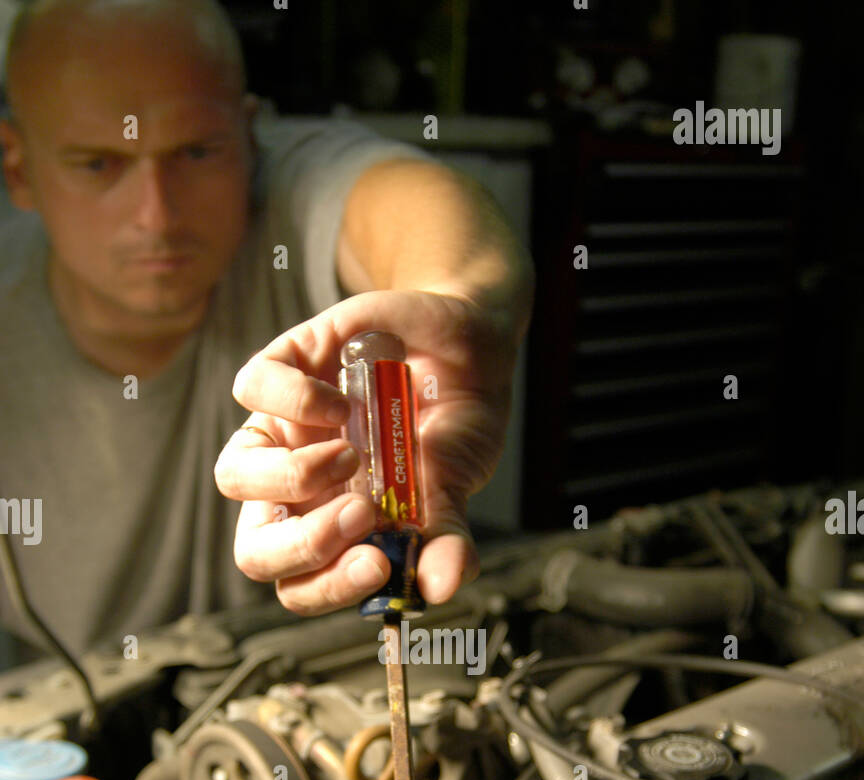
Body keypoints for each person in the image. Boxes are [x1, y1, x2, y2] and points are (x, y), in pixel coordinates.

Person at [0, 0, 533, 661]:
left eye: (196, 151)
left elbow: (419, 203)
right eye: (98, 164)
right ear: (16, 165)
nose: (156, 214)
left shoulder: (290, 181)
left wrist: (460, 308)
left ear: (249, 134)